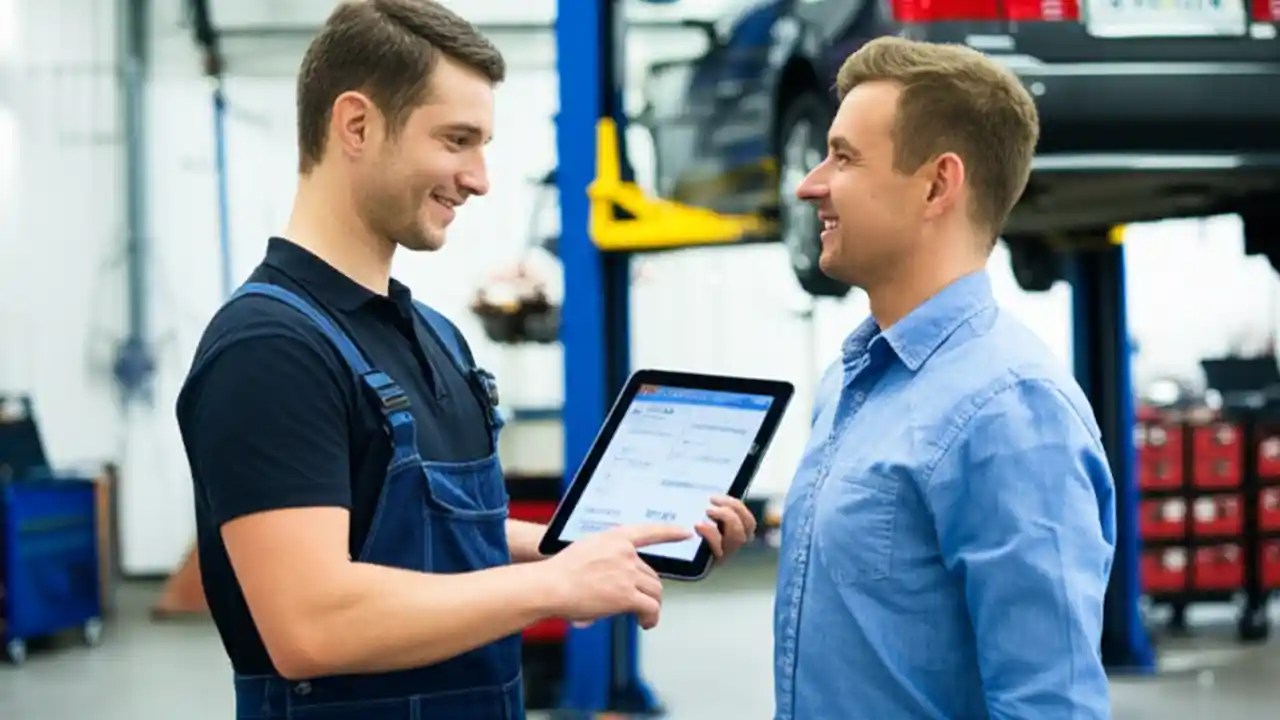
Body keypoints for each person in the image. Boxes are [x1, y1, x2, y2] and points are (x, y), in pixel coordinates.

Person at [174, 2, 757, 718]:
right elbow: (311, 625)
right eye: (456, 141)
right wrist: (553, 586)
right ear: (355, 125)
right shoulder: (269, 350)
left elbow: (441, 540)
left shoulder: (436, 336)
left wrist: (592, 543)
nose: (479, 178)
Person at [773, 38, 1115, 720]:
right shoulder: (851, 382)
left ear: (937, 185)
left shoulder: (1012, 410)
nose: (809, 185)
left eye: (843, 157)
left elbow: (1051, 704)